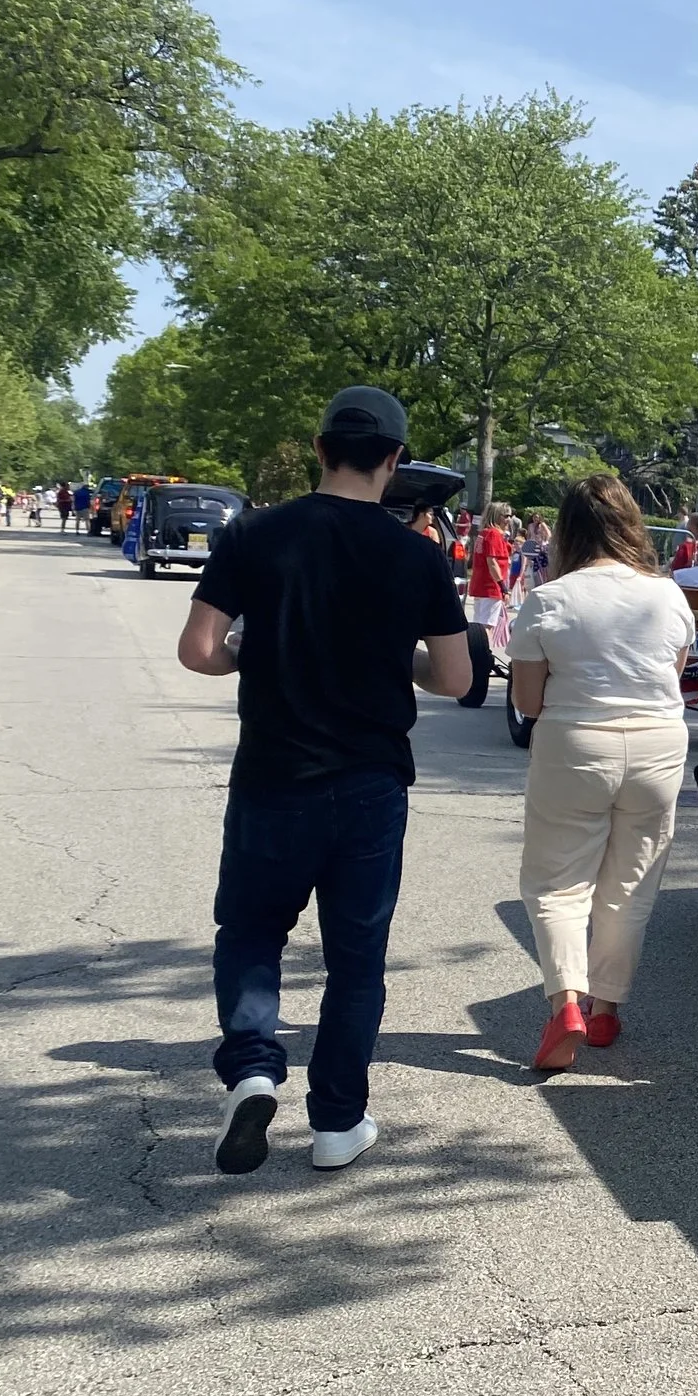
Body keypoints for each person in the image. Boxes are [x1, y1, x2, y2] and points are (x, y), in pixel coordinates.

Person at [175, 386, 473, 1175]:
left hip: (274, 774)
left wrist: (258, 650)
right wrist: (387, 657)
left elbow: (198, 648)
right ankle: (338, 1122)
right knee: (356, 958)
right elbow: (453, 675)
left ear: (319, 449)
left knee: (249, 932)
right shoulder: (416, 554)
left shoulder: (253, 534)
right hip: (371, 784)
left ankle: (251, 1069)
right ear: (396, 459)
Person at [508, 475, 697, 1072]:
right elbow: (675, 670)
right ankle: (607, 1008)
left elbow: (528, 702)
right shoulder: (667, 595)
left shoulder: (548, 599)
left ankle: (567, 1002)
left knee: (558, 883)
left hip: (576, 742)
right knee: (631, 884)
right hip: (658, 746)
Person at [466, 502, 514, 633]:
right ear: (497, 516)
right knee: (486, 625)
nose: (509, 519)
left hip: (480, 584)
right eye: (506, 516)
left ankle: (474, 650)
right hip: (491, 586)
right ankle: (480, 651)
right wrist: (503, 587)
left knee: (478, 625)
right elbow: (492, 562)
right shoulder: (493, 534)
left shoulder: (484, 533)